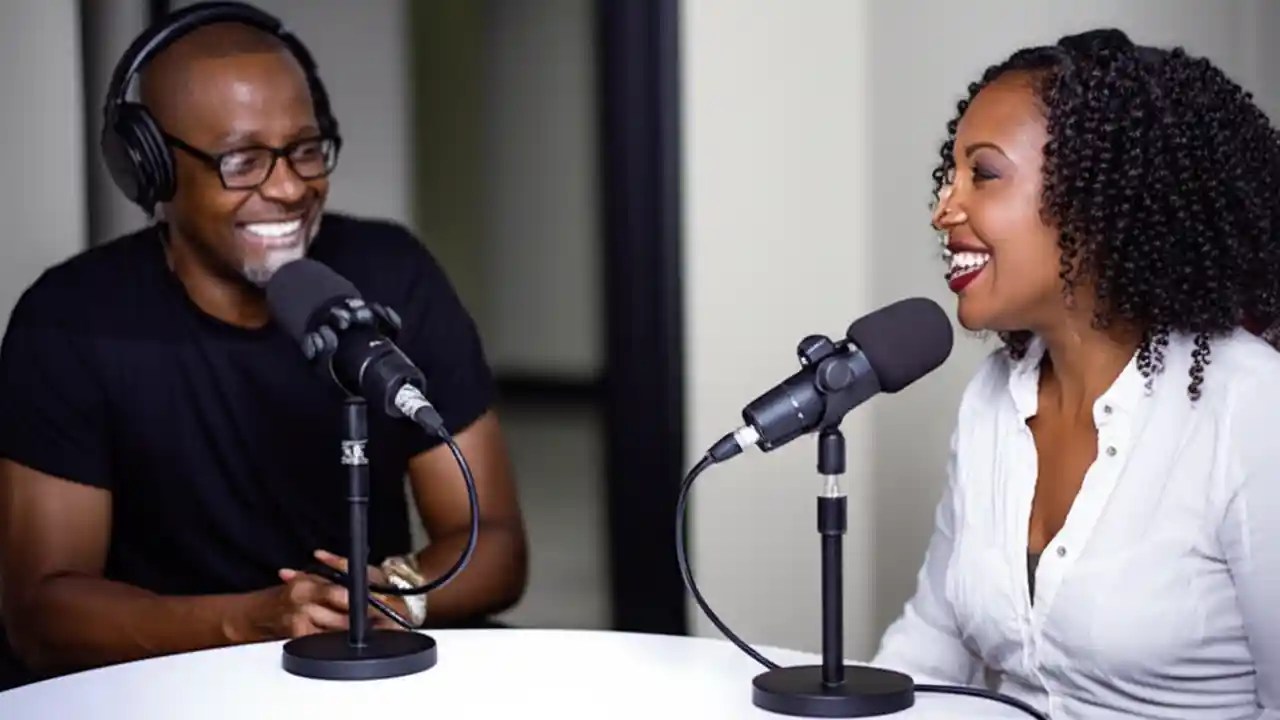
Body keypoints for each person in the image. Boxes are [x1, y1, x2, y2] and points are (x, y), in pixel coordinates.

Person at [0, 3, 527, 686]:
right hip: (161, 677)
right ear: (151, 171)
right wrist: (254, 622)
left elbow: (497, 547)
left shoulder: (393, 272)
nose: (288, 187)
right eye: (242, 160)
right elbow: (42, 614)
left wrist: (391, 596)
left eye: (306, 149)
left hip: (359, 673)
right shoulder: (69, 318)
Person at [872, 29, 1280, 719]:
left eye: (984, 174)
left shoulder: (1249, 407)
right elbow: (932, 645)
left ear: (1095, 203)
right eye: (951, 174)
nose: (945, 208)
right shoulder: (993, 402)